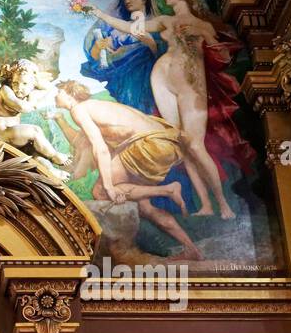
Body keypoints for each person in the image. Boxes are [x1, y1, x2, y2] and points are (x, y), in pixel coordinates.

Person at [83, 0, 246, 220]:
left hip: (189, 79)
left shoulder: (202, 25)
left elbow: (221, 54)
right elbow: (129, 27)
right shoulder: (166, 21)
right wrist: (98, 13)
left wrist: (204, 36)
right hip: (161, 75)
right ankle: (205, 205)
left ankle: (223, 205)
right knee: (180, 142)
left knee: (195, 144)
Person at [50, 79, 203, 260]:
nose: (55, 95)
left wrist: (110, 187)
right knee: (145, 207)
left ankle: (168, 190)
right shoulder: (94, 107)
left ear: (69, 94)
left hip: (148, 145)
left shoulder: (79, 110)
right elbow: (81, 142)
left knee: (100, 191)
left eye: (58, 92)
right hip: (163, 143)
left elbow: (100, 148)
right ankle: (192, 249)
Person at [80, 0, 163, 114]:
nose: (127, 1)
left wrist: (149, 44)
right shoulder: (119, 29)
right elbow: (102, 56)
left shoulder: (156, 23)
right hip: (124, 77)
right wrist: (101, 47)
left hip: (146, 75)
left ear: (144, 0)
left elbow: (161, 50)